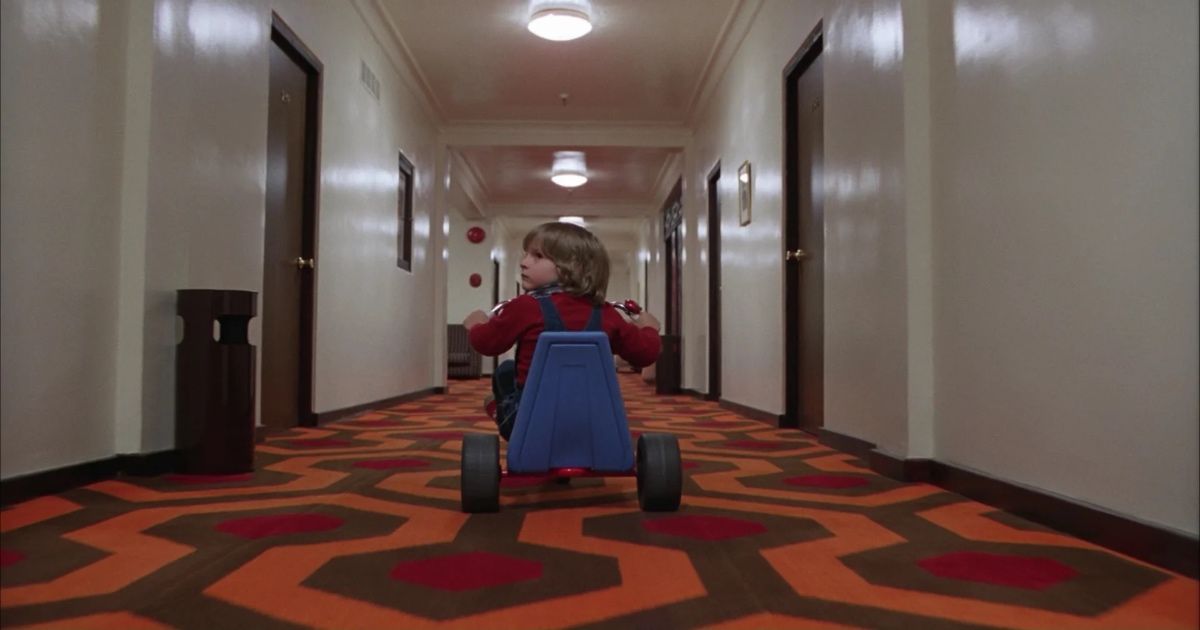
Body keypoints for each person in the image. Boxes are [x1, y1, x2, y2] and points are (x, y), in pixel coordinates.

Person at [462, 221, 661, 440]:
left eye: (537, 256)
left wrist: (477, 325)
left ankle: (503, 415)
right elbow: (645, 354)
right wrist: (649, 328)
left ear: (571, 267)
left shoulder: (523, 307)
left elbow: (487, 344)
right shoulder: (606, 314)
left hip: (532, 420)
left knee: (505, 371)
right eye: (526, 254)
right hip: (594, 416)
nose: (523, 262)